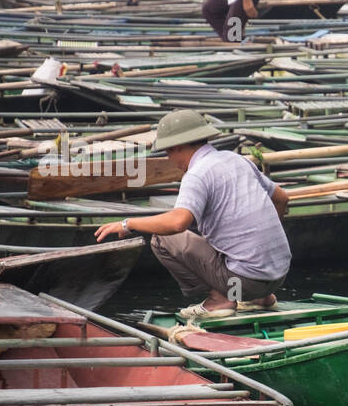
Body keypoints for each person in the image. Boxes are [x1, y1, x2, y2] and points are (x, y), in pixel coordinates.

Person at [94, 109, 291, 321]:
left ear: (178, 146)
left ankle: (219, 300)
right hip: (278, 275)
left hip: (245, 283)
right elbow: (281, 198)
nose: (170, 159)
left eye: (169, 152)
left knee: (162, 239)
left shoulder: (197, 174)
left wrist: (128, 223)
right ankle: (260, 299)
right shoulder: (235, 159)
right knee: (221, 244)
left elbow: (178, 222)